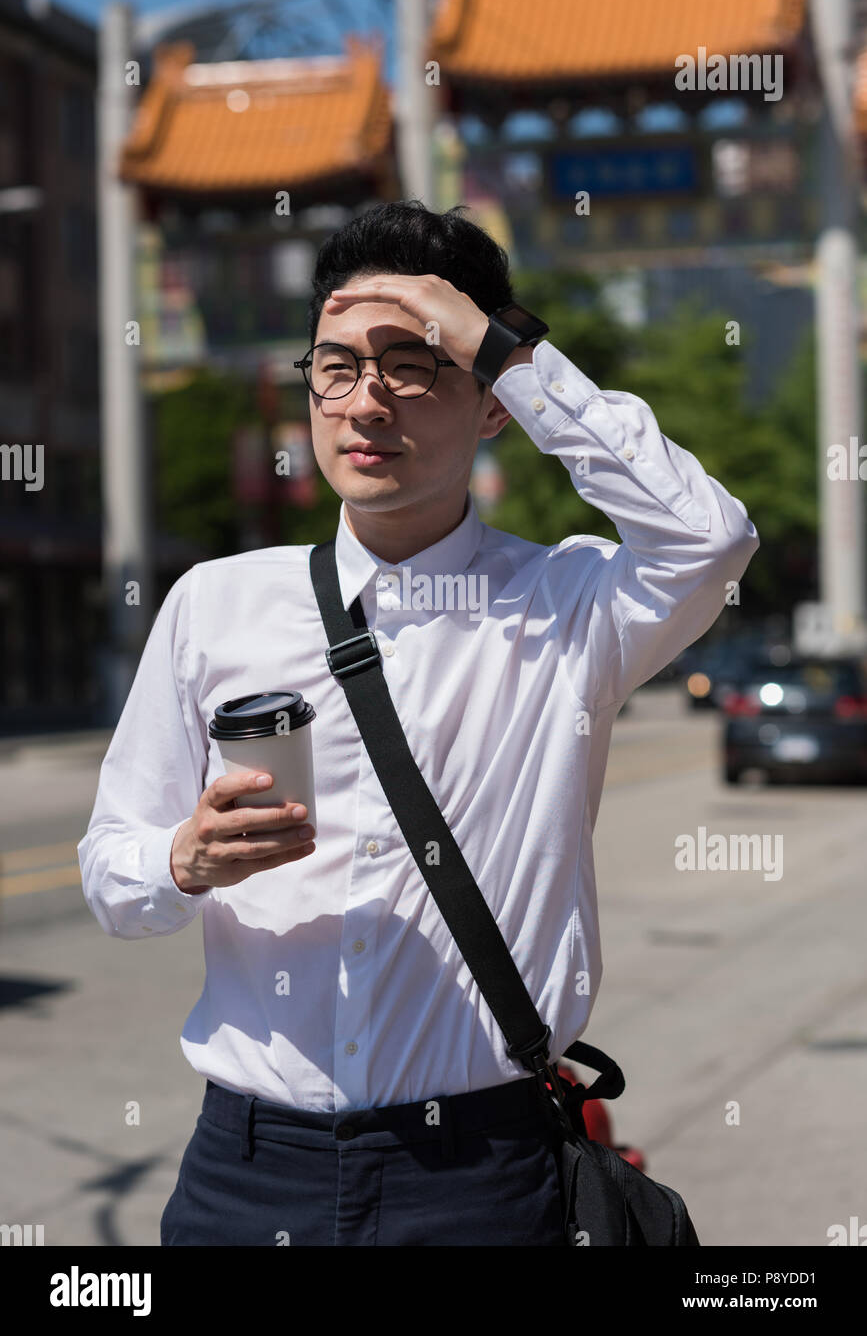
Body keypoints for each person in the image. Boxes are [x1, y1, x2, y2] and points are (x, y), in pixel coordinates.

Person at [78, 200, 759, 1246]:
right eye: (339, 367)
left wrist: (506, 349)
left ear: (490, 405)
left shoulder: (569, 605)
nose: (367, 403)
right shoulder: (216, 604)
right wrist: (183, 857)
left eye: (413, 363)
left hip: (479, 1177)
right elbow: (110, 872)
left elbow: (708, 540)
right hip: (248, 1175)